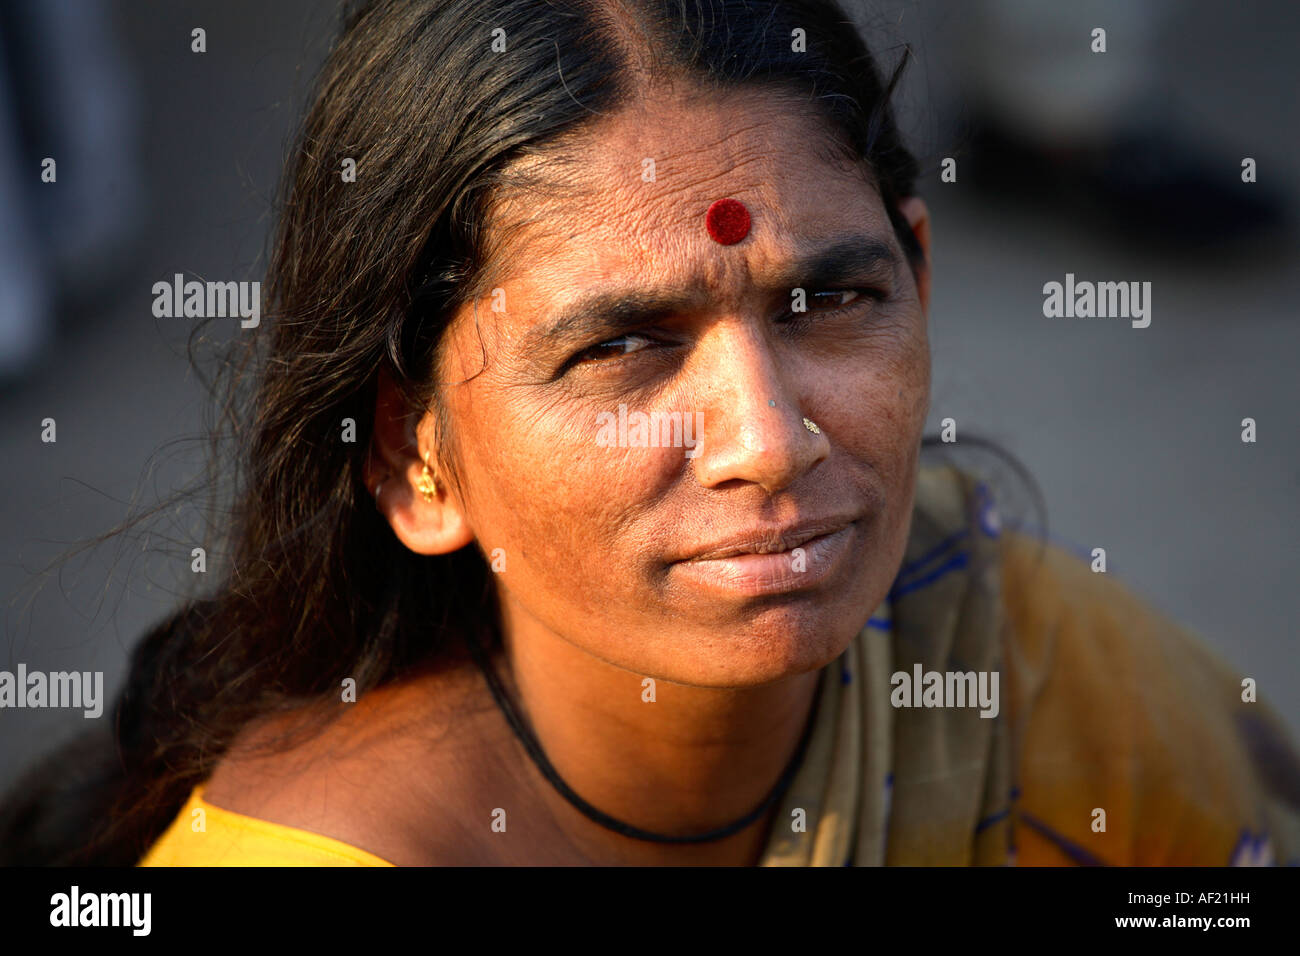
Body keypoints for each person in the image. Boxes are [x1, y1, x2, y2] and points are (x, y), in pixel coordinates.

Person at [2, 0, 1296, 867]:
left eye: (827, 302)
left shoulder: (1017, 659)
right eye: (622, 347)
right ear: (413, 457)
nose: (771, 441)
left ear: (921, 278)